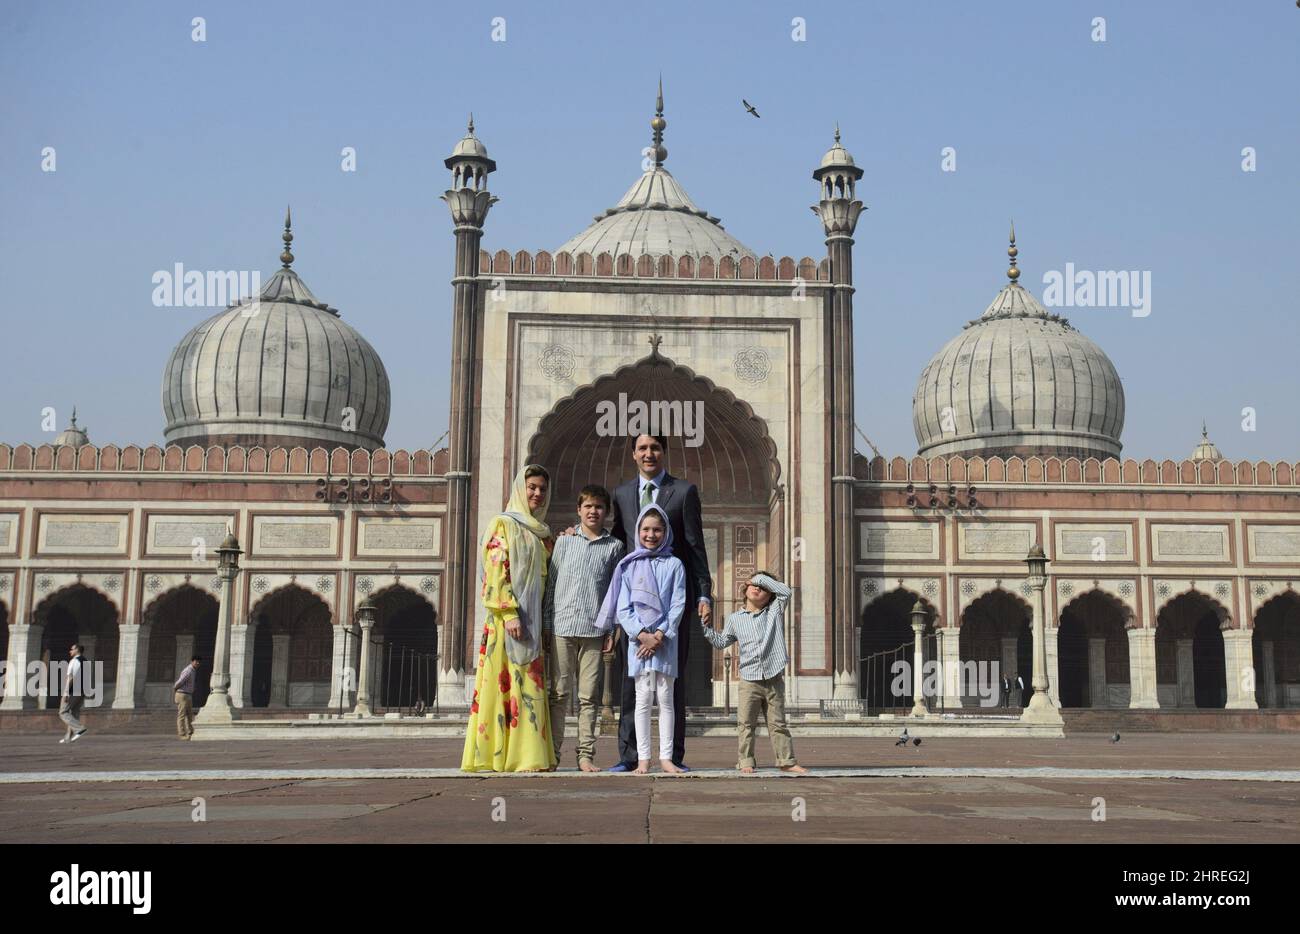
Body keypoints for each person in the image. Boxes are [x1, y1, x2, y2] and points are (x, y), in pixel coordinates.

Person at [606, 434, 712, 772]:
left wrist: (704, 592)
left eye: (655, 448)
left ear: (663, 453)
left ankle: (672, 757)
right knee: (629, 685)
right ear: (633, 454)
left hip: (671, 601)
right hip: (634, 602)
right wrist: (578, 535)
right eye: (642, 448)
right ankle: (630, 756)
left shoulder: (683, 492)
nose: (648, 453)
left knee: (672, 686)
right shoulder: (622, 494)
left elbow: (695, 545)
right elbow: (618, 544)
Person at [461, 464, 558, 772]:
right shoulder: (504, 524)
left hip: (532, 623)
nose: (538, 494)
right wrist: (509, 612)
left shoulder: (541, 533)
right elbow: (495, 569)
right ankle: (500, 756)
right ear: (520, 489)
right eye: (532, 487)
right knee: (505, 686)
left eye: (542, 488)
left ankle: (526, 756)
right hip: (508, 622)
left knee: (527, 688)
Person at [595, 504, 686, 774]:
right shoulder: (629, 565)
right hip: (638, 643)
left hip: (665, 641)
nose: (651, 534)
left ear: (666, 532)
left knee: (666, 698)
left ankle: (666, 758)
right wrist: (642, 635)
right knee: (643, 699)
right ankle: (644, 758)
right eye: (646, 529)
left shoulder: (674, 564)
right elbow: (624, 608)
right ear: (637, 532)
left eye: (657, 529)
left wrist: (658, 635)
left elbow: (678, 603)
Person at [543, 484, 624, 771]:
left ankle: (585, 756)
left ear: (606, 513)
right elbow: (551, 585)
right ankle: (552, 754)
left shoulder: (614, 547)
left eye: (599, 507)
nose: (593, 511)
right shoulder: (563, 543)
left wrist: (612, 630)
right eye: (588, 506)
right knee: (559, 694)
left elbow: (615, 592)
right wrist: (546, 625)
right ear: (579, 510)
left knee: (589, 697)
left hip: (594, 629)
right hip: (562, 627)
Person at [701, 571, 807, 774]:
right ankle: (746, 761)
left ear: (770, 595)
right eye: (754, 585)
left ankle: (786, 761)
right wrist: (706, 628)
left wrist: (757, 579)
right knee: (746, 724)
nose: (758, 588)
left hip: (773, 677)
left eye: (763, 587)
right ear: (744, 590)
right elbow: (722, 642)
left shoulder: (774, 610)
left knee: (778, 723)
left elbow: (785, 591)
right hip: (749, 679)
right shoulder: (734, 619)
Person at [58, 643, 88, 744]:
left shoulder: (74, 661)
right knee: (74, 713)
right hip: (82, 690)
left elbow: (70, 677)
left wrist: (66, 693)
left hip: (73, 690)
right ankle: (68, 738)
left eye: (72, 649)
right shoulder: (85, 661)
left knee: (63, 712)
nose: (70, 651)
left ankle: (79, 729)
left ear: (77, 650)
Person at [173, 655, 201, 740]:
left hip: (188, 694)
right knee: (182, 715)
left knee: (189, 714)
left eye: (199, 662)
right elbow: (181, 681)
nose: (198, 663)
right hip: (182, 694)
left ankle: (190, 732)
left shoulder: (193, 671)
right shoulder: (188, 670)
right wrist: (175, 688)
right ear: (192, 661)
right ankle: (182, 734)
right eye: (196, 661)